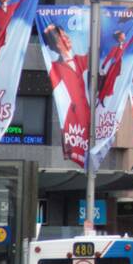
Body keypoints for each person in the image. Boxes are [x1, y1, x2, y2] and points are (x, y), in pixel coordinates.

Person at [43, 24, 91, 164]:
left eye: (66, 35)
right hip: (75, 122)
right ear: (56, 43)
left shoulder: (85, 60)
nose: (67, 38)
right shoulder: (55, 68)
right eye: (63, 37)